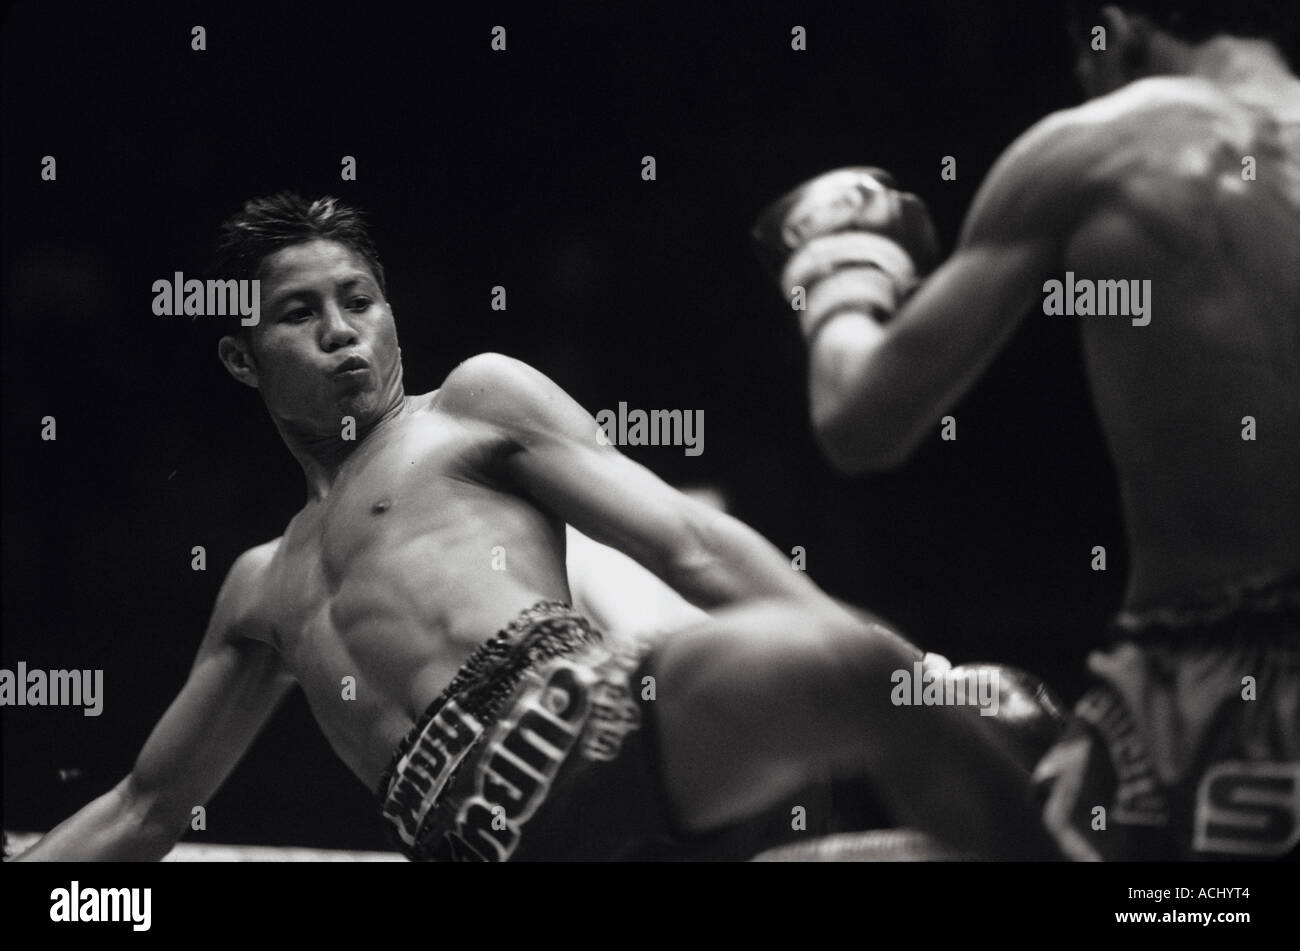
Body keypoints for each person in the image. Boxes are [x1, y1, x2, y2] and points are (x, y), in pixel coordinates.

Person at [15, 194, 1059, 862]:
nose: (342, 333)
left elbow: (686, 543)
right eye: (300, 314)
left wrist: (923, 673)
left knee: (846, 666)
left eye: (359, 300)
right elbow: (147, 809)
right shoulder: (258, 589)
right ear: (242, 358)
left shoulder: (472, 406)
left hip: (601, 733)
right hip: (486, 847)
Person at [752, 1, 1300, 859]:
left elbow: (861, 421)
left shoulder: (1096, 150)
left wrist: (840, 269)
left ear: (1114, 30)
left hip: (1203, 680)